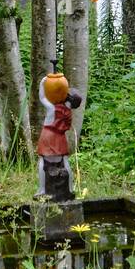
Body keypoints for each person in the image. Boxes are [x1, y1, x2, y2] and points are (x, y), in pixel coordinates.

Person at [36, 71, 82, 200]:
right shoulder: (68, 112)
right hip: (60, 137)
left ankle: (42, 189)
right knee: (64, 162)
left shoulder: (52, 109)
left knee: (42, 162)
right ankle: (70, 187)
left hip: (48, 136)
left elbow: (42, 98)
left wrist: (42, 83)